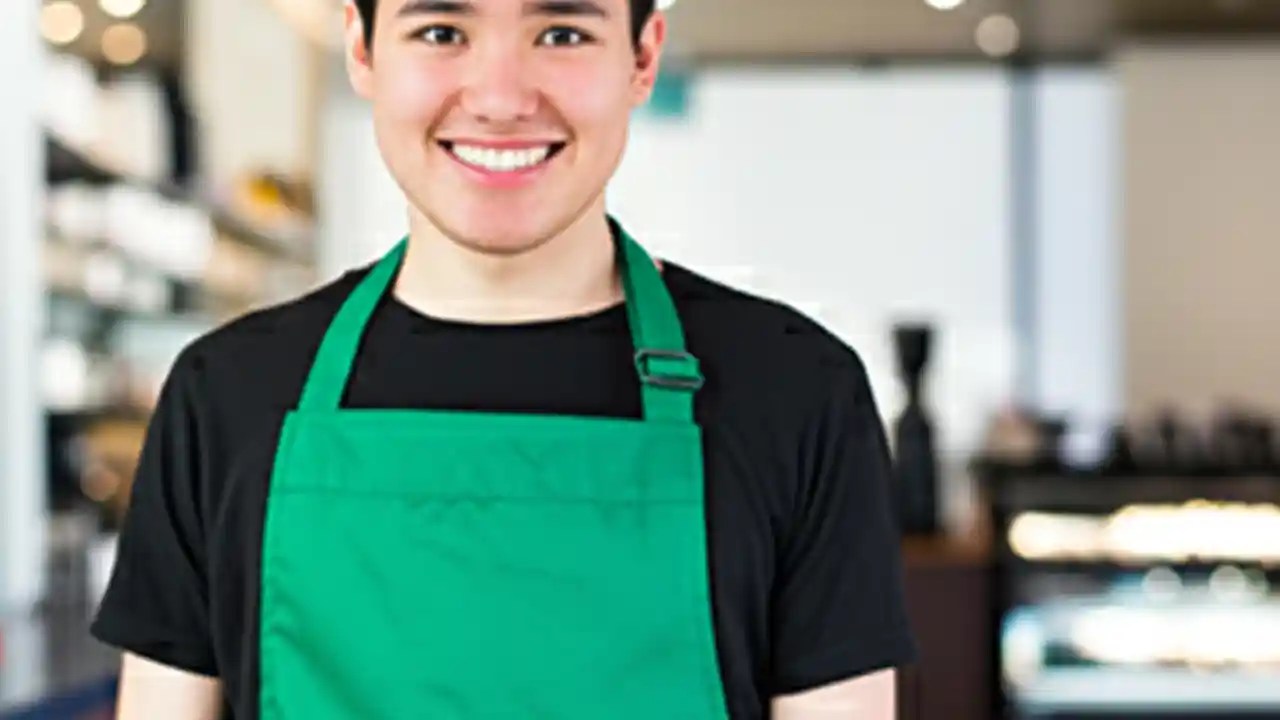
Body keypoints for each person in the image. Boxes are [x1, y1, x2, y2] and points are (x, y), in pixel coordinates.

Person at [90, 0, 917, 717]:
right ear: (363, 52)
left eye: (561, 33)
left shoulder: (798, 393)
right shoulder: (225, 396)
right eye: (442, 29)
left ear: (642, 58)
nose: (499, 98)